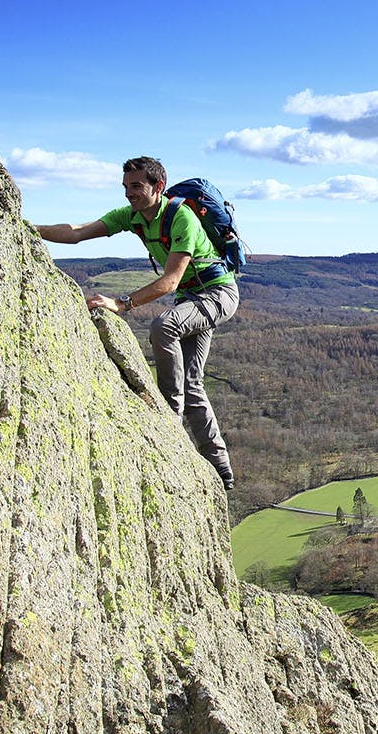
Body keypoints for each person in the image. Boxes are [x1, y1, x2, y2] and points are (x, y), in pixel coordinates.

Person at [35, 157, 240, 490]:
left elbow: (170, 281)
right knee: (192, 384)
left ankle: (169, 416)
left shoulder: (180, 217)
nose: (129, 193)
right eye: (126, 186)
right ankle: (221, 467)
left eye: (136, 186)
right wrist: (29, 228)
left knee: (163, 327)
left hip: (218, 293)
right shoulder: (130, 217)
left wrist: (122, 304)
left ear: (157, 187)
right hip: (192, 299)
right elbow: (75, 234)